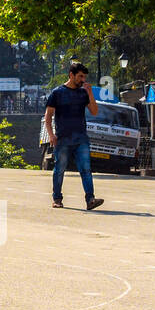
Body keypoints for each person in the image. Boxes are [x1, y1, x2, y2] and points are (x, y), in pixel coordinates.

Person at [44, 62, 105, 210]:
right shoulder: (57, 93)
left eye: (84, 77)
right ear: (71, 75)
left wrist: (90, 93)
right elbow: (48, 116)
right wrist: (51, 135)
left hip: (81, 138)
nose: (83, 80)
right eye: (80, 76)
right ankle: (57, 199)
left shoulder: (83, 93)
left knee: (85, 169)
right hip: (63, 138)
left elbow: (94, 111)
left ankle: (90, 199)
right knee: (60, 169)